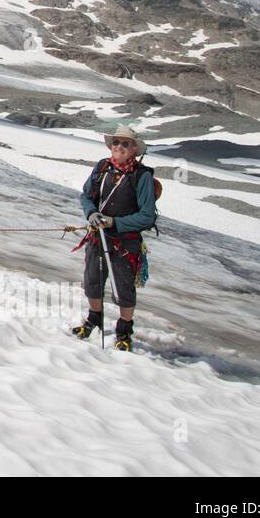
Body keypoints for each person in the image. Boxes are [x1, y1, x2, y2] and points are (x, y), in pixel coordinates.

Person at [71, 123, 157, 351]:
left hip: (125, 242)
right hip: (98, 236)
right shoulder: (102, 168)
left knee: (124, 287)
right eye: (116, 142)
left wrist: (115, 223)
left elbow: (147, 216)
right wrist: (91, 213)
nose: (119, 146)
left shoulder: (142, 177)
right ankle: (94, 318)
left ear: (134, 149)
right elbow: (86, 195)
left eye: (125, 143)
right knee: (92, 280)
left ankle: (124, 330)